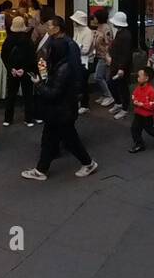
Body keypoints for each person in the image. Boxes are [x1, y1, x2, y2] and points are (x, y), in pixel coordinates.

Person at [20, 15, 97, 182]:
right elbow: (43, 63)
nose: (47, 28)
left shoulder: (67, 48)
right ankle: (43, 167)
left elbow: (72, 74)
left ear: (57, 28)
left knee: (66, 136)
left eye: (49, 25)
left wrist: (42, 84)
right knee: (53, 135)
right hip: (59, 102)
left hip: (62, 102)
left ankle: (86, 163)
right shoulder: (55, 44)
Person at [0, 7, 39, 128]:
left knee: (11, 95)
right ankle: (29, 119)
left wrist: (11, 68)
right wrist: (25, 70)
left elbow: (4, 56)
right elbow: (32, 57)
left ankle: (7, 119)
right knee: (28, 95)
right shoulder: (27, 40)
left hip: (12, 72)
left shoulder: (8, 39)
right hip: (26, 72)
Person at [127, 68, 154, 154]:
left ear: (146, 78)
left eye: (139, 76)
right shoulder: (138, 88)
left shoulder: (151, 90)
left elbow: (153, 104)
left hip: (147, 116)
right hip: (138, 114)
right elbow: (134, 96)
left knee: (151, 131)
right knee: (134, 129)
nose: (137, 78)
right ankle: (139, 144)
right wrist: (135, 101)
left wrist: (141, 104)